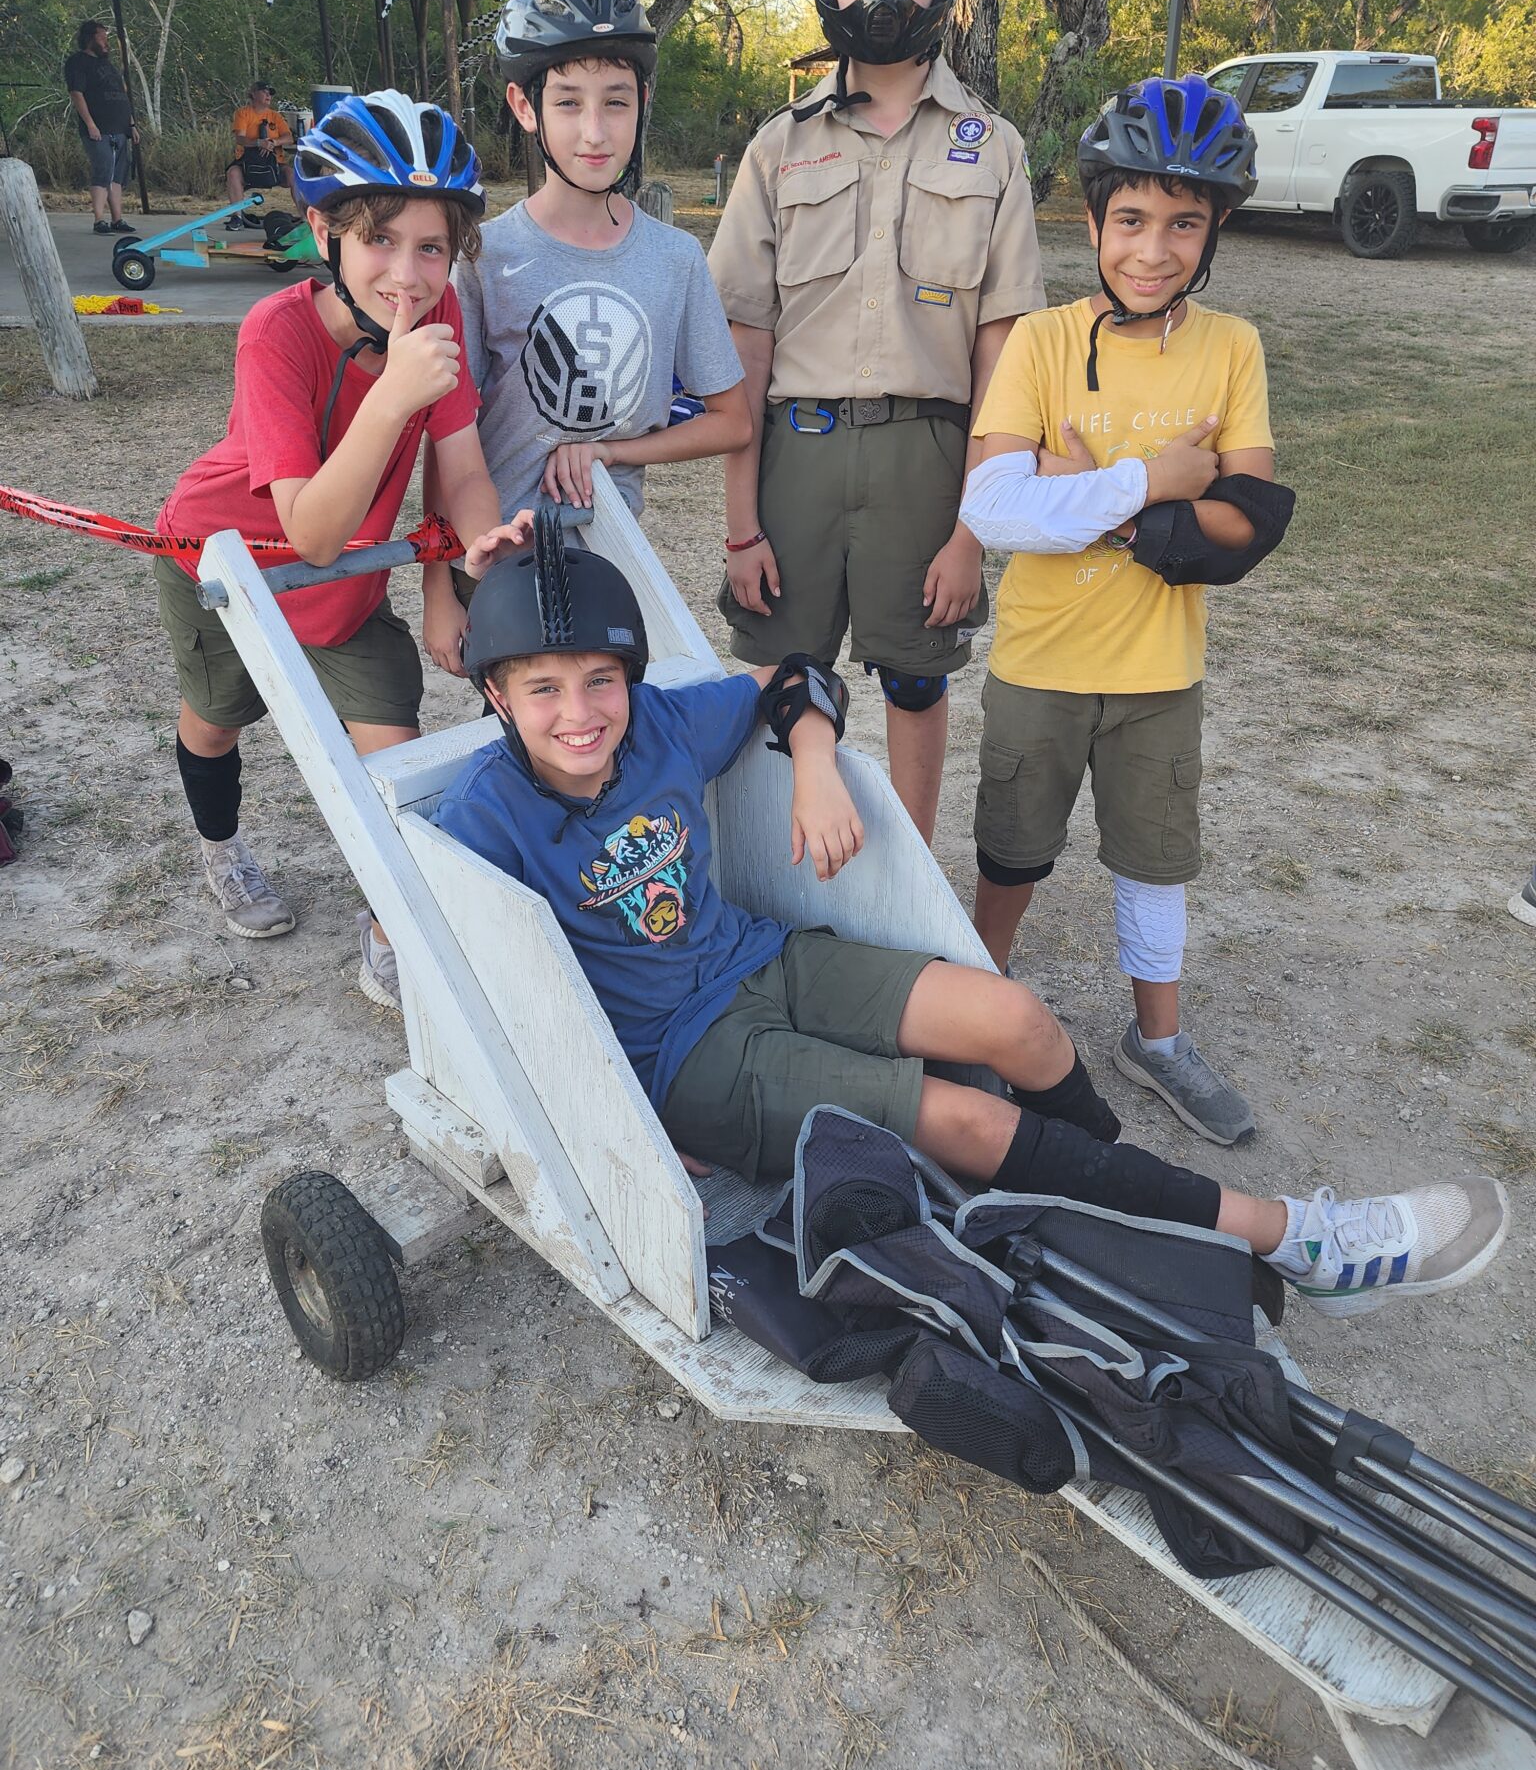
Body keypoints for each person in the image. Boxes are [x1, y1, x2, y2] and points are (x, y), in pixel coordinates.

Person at [434, 513, 1509, 1322]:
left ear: (628, 677)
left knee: (1018, 1020)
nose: (580, 714)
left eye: (599, 679)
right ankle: (1296, 1240)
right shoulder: (484, 817)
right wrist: (627, 1126)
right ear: (496, 698)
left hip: (762, 962)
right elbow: (463, 976)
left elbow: (797, 675)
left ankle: (1133, 1204)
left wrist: (813, 760)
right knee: (968, 1122)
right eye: (542, 689)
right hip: (685, 1059)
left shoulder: (662, 724)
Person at [960, 75, 1296, 1148]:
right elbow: (991, 507)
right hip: (1040, 664)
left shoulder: (1231, 346)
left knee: (1156, 861)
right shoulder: (1043, 341)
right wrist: (1154, 483)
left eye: (1184, 224)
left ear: (1217, 230)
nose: (1154, 249)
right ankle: (977, 1011)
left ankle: (1158, 1040)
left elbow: (1246, 524)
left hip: (1161, 674)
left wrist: (1090, 503)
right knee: (1011, 852)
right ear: (1095, 220)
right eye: (1133, 220)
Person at [706, 0, 1044, 844]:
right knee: (778, 670)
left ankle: (909, 884)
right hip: (796, 453)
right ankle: (773, 865)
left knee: (914, 677)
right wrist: (739, 526)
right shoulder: (779, 147)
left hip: (927, 461)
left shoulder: (995, 149)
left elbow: (1004, 362)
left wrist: (972, 532)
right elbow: (742, 352)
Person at [152, 90, 503, 1008]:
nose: (408, 275)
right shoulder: (275, 332)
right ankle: (221, 847)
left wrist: (479, 552)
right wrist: (393, 395)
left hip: (343, 588)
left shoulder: (439, 315)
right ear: (323, 232)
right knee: (215, 721)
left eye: (432, 247)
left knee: (397, 756)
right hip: (221, 564)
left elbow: (461, 467)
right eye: (379, 240)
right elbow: (311, 529)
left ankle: (389, 924)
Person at [425, 0, 750, 679]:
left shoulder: (675, 259)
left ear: (643, 104)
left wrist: (611, 451)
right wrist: (437, 588)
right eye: (568, 103)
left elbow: (732, 421)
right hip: (500, 565)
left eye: (617, 102)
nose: (596, 132)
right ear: (524, 105)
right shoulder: (482, 258)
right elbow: (446, 436)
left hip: (611, 559)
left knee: (605, 727)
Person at [63, 20, 138, 236]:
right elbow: (77, 93)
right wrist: (90, 124)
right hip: (98, 127)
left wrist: (131, 124)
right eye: (102, 37)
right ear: (90, 38)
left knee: (117, 174)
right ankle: (99, 219)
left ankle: (117, 219)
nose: (106, 42)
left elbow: (123, 95)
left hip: (119, 127)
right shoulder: (78, 62)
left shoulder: (108, 65)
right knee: (103, 170)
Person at [226, 81, 295, 220]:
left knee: (293, 175)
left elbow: (289, 137)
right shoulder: (243, 113)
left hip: (273, 163)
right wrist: (258, 143)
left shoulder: (275, 116)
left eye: (270, 93)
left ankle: (306, 218)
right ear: (253, 94)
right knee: (233, 173)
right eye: (264, 92)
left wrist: (273, 142)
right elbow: (240, 138)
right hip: (248, 161)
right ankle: (237, 217)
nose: (268, 95)